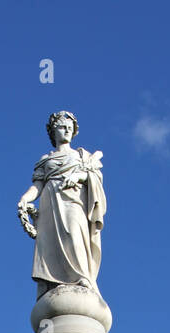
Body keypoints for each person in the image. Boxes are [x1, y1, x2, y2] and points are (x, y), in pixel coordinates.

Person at [17, 110, 106, 298]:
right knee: (50, 244)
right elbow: (37, 186)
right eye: (61, 127)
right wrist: (25, 198)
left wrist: (78, 176)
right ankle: (52, 283)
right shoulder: (46, 160)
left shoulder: (82, 156)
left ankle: (82, 276)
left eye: (69, 128)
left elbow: (95, 176)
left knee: (75, 233)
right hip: (49, 203)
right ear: (53, 131)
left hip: (73, 201)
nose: (65, 131)